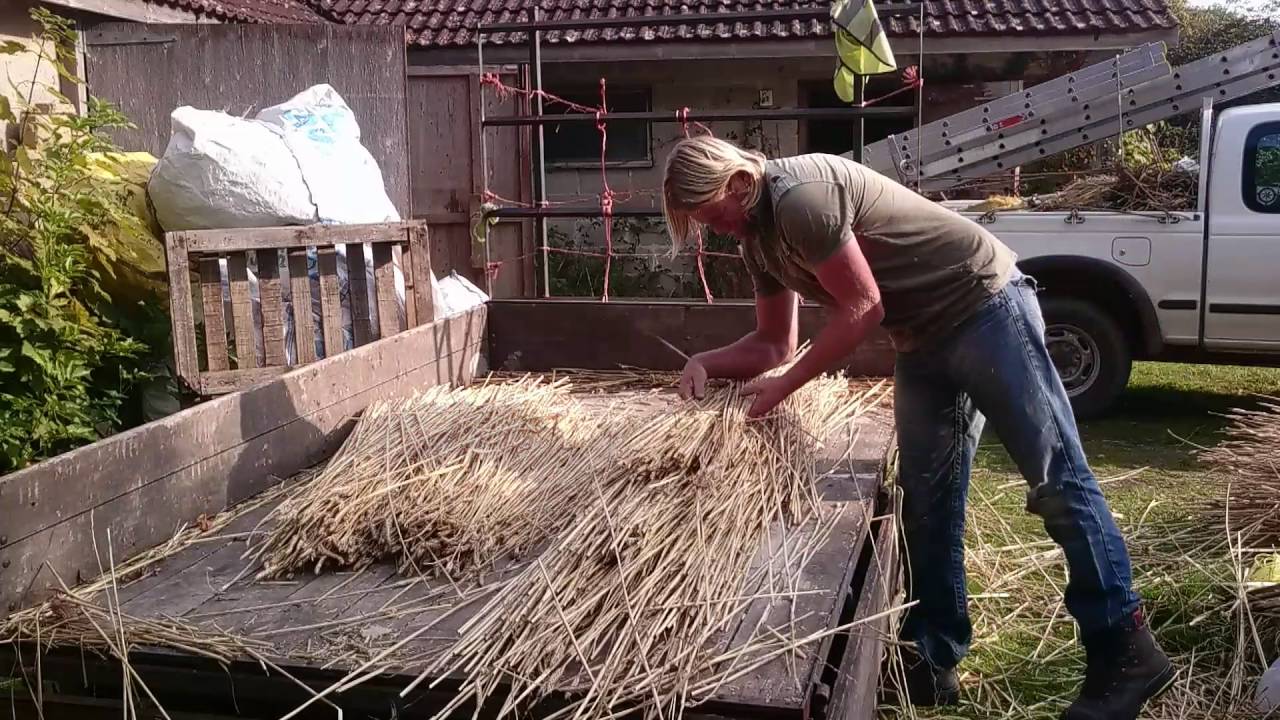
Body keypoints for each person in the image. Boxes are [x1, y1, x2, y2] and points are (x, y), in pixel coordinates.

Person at [662, 135, 1174, 720]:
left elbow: (862, 308)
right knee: (926, 499)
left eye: (710, 214)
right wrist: (705, 362)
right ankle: (934, 656)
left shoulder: (801, 198)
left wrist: (782, 388)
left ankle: (1124, 646)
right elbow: (774, 343)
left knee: (1056, 478)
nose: (713, 229)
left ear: (735, 184)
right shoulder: (759, 240)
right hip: (923, 338)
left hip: (984, 306)